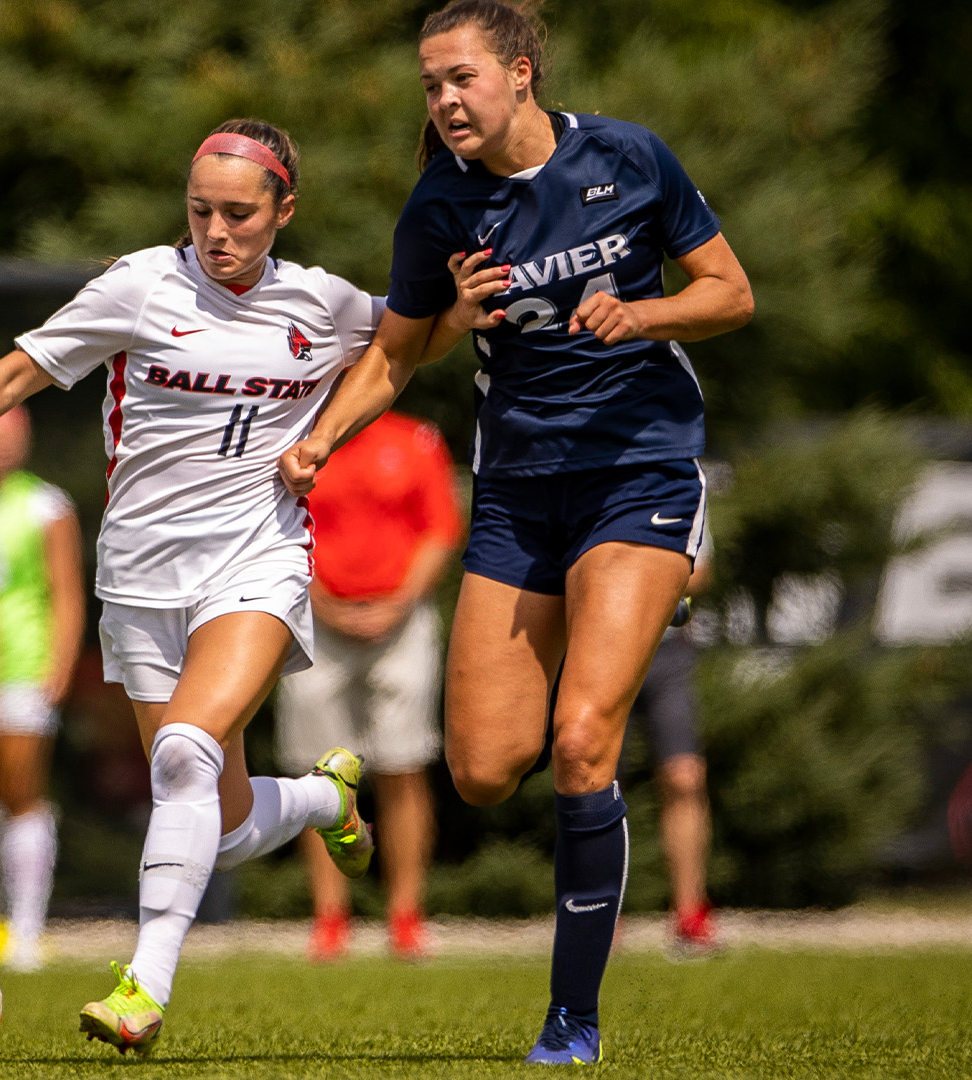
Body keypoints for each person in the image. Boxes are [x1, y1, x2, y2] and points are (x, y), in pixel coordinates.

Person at [0, 118, 474, 1056]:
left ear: (284, 211)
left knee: (183, 751)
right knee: (213, 816)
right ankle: (321, 803)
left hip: (257, 561)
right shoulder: (139, 285)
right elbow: (16, 372)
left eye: (241, 214)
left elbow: (403, 345)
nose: (218, 232)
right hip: (138, 579)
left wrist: (456, 309)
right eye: (201, 211)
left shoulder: (321, 302)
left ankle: (144, 985)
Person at [281, 0, 753, 1064]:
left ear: (522, 73)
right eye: (430, 86)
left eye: (461, 79)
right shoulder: (442, 208)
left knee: (584, 742)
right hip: (519, 493)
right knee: (486, 769)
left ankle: (571, 1020)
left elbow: (730, 292)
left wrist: (647, 313)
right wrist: (321, 441)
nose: (445, 100)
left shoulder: (628, 158)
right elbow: (399, 356)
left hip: (637, 474)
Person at [274, 410, 460, 962]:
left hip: (401, 619)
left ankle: (405, 916)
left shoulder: (416, 437)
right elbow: (275, 530)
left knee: (403, 767)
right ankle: (330, 920)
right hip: (313, 614)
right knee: (318, 775)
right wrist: (323, 602)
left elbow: (441, 531)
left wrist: (397, 604)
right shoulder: (296, 440)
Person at [0, 408, 84, 972]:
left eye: (6, 440)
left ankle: (25, 926)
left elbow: (66, 592)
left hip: (20, 665)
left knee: (20, 793)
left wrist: (59, 664)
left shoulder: (46, 506)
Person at [632, 549, 719, 956]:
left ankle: (689, 916)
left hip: (668, 648)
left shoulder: (687, 483)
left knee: (685, 777)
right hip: (598, 642)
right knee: (589, 778)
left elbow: (699, 572)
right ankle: (594, 915)